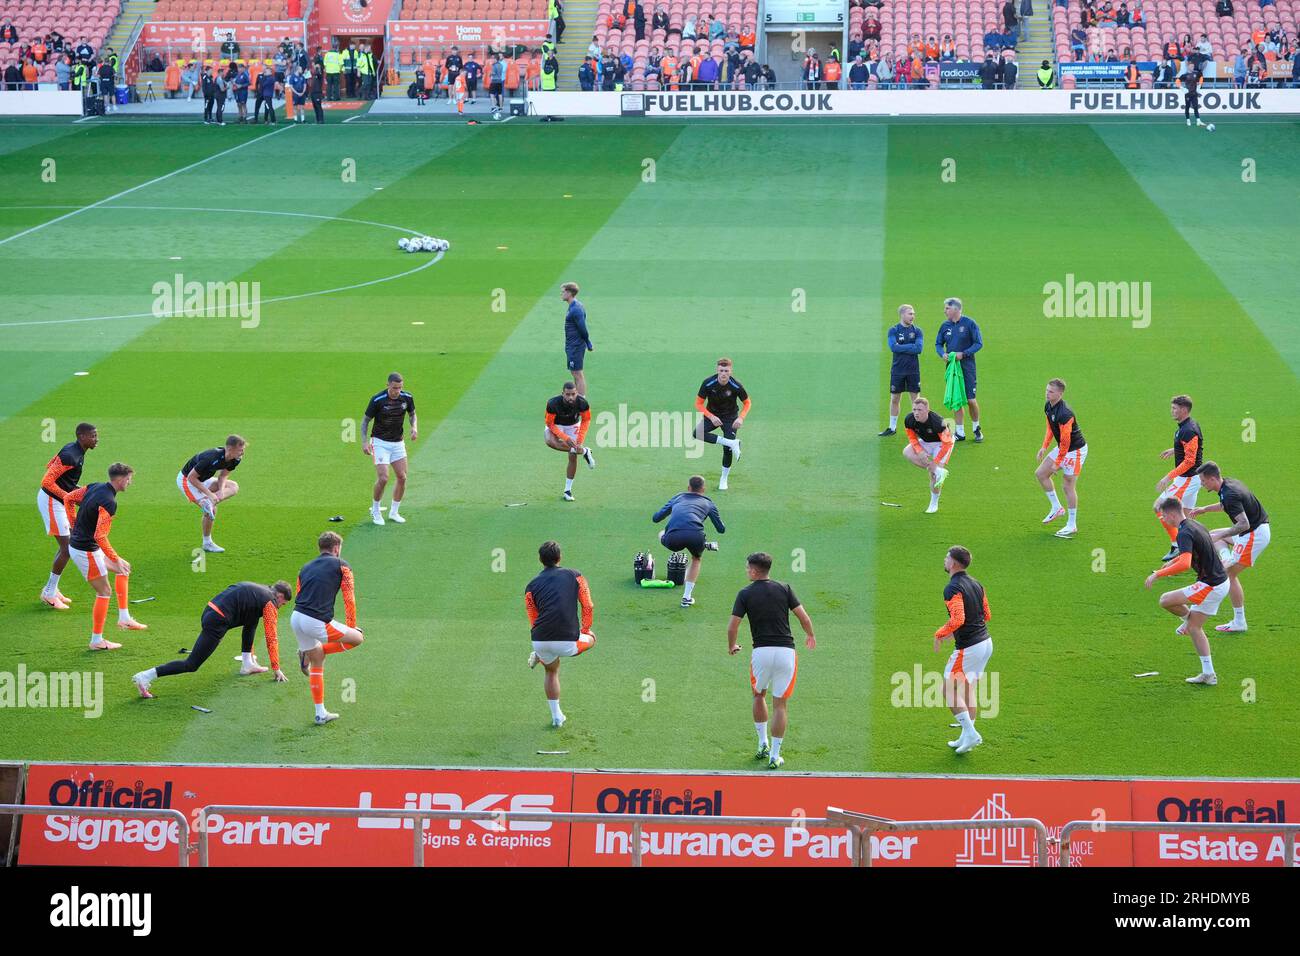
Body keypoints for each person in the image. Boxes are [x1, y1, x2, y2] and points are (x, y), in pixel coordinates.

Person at [727, 551, 816, 770]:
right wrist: (810, 635)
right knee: (780, 706)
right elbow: (803, 617)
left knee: (758, 695)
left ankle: (762, 744)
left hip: (761, 653)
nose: (746, 570)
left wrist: (732, 646)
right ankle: (775, 755)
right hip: (786, 653)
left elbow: (733, 626)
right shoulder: (784, 588)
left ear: (755, 571)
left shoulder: (744, 594)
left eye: (748, 568)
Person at [133, 581, 292, 697]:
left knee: (252, 621)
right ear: (279, 596)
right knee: (191, 664)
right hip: (218, 620)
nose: (280, 607)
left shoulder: (261, 591)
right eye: (282, 604)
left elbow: (247, 616)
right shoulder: (270, 604)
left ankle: (247, 664)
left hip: (211, 610)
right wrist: (276, 667)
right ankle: (145, 676)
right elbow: (272, 637)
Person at [1145, 498, 1227, 686]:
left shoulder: (1183, 533)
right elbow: (1189, 553)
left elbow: (1185, 563)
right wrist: (1171, 562)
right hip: (1221, 582)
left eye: (1164, 516)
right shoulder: (1194, 524)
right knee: (1194, 628)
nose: (1163, 519)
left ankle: (1187, 618)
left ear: (1172, 514)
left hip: (1211, 585)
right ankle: (1209, 674)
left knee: (1165, 600)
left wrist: (1158, 574)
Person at [67, 462, 147, 650]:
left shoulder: (95, 486)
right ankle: (96, 641)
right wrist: (115, 557)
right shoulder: (109, 502)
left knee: (124, 569)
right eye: (129, 479)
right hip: (85, 550)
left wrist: (74, 524)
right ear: (120, 480)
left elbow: (69, 498)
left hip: (84, 546)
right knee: (104, 592)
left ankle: (124, 618)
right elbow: (100, 535)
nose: (130, 483)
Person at [292, 532, 364, 724]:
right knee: (357, 639)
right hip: (315, 620)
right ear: (336, 548)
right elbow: (349, 598)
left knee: (317, 660)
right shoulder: (343, 566)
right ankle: (312, 652)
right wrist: (352, 627)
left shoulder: (305, 567)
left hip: (296, 617)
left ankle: (320, 713)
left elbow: (300, 593)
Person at [1188, 464, 1269, 633]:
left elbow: (1243, 523)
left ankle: (1240, 621)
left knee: (1229, 575)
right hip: (1253, 530)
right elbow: (1225, 505)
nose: (1202, 485)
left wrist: (1221, 534)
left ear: (1212, 478)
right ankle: (1227, 557)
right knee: (1213, 535)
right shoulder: (1228, 484)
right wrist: (1205, 509)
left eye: (1203, 481)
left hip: (1254, 535)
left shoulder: (1230, 494)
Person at [524, 540, 595, 727]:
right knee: (592, 638)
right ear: (559, 557)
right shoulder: (576, 576)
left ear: (540, 560)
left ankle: (557, 717)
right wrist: (586, 630)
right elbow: (587, 605)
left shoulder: (531, 586)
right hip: (568, 642)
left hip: (540, 639)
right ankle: (540, 655)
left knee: (551, 670)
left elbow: (533, 617)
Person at [933, 545, 992, 753]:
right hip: (986, 643)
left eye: (947, 558)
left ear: (954, 563)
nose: (944, 561)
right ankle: (966, 737)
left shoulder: (952, 588)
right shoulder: (976, 584)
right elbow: (986, 614)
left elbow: (958, 618)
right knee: (966, 689)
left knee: (947, 690)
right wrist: (957, 630)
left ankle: (971, 734)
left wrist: (941, 633)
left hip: (970, 647)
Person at [38, 422, 98, 610]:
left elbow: (52, 467)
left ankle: (52, 589)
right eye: (93, 436)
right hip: (51, 501)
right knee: (68, 548)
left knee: (67, 546)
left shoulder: (76, 451)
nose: (97, 439)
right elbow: (47, 481)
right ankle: (48, 593)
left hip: (58, 500)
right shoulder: (71, 454)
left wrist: (78, 493)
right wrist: (69, 496)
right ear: (82, 436)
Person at [652, 475, 725, 607]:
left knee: (661, 533)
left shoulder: (677, 497)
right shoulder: (709, 503)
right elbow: (721, 529)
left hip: (673, 539)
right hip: (696, 537)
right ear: (704, 489)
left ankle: (703, 544)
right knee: (696, 559)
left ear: (688, 488)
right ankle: (686, 598)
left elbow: (656, 518)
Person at [362, 373, 418, 526]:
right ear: (388, 385)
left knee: (402, 477)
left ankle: (394, 512)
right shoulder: (377, 400)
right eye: (394, 388)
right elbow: (365, 421)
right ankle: (375, 509)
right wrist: (365, 442)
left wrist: (414, 427)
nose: (397, 391)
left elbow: (412, 414)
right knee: (384, 478)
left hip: (398, 443)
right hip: (380, 442)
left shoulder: (407, 397)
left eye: (400, 388)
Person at [1155, 394, 1204, 561]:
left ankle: (1176, 545)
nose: (1172, 411)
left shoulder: (1188, 430)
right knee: (1187, 518)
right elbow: (1190, 450)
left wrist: (1167, 477)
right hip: (1190, 478)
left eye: (1174, 408)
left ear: (1184, 410)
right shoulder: (1186, 426)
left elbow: (1190, 461)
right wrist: (1175, 449)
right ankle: (1198, 552)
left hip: (1188, 478)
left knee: (1159, 506)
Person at [1036, 378, 1088, 537]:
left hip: (1075, 451)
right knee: (1041, 474)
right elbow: (1050, 428)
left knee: (1067, 486)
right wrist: (1044, 447)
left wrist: (1058, 462)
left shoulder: (1065, 414)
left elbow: (1066, 441)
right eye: (1046, 390)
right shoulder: (1048, 406)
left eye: (1051, 391)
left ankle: (1072, 524)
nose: (1047, 393)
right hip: (1063, 448)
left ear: (1060, 393)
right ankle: (1056, 508)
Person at [178, 436, 245, 553]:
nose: (242, 452)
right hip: (187, 481)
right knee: (211, 510)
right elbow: (191, 477)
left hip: (203, 479)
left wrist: (220, 490)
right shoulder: (211, 457)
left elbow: (223, 476)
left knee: (233, 486)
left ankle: (208, 503)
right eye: (240, 449)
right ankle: (207, 543)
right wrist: (209, 494)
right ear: (229, 448)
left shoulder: (236, 459)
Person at [694, 358, 750, 491]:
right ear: (717, 370)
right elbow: (698, 403)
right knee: (697, 433)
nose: (723, 373)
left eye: (726, 371)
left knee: (727, 450)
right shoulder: (708, 383)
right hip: (712, 415)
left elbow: (747, 403)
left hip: (730, 418)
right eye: (721, 370)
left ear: (731, 371)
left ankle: (724, 478)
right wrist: (711, 416)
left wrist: (740, 418)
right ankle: (732, 442)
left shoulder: (736, 385)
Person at [935, 296, 983, 441]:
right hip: (951, 368)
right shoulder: (944, 326)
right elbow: (938, 344)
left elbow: (978, 343)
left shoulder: (969, 324)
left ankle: (976, 428)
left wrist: (964, 354)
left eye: (947, 308)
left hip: (967, 367)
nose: (945, 311)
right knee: (956, 398)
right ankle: (960, 432)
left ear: (956, 309)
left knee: (970, 399)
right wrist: (942, 354)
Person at [545, 382, 595, 501]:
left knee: (572, 456)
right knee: (550, 442)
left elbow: (586, 420)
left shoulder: (582, 403)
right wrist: (566, 438)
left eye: (573, 394)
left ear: (577, 393)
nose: (571, 397)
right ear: (563, 394)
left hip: (573, 425)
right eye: (568, 394)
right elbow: (549, 423)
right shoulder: (552, 403)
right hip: (556, 425)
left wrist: (579, 440)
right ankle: (584, 451)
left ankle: (567, 490)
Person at [903, 397, 953, 513]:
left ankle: (934, 503)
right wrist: (919, 450)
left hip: (942, 443)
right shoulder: (909, 419)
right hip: (926, 441)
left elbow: (947, 444)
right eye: (914, 409)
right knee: (907, 452)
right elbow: (911, 437)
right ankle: (938, 471)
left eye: (919, 410)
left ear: (927, 410)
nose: (916, 413)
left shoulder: (938, 423)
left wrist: (935, 462)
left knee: (933, 476)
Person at [881, 305, 924, 436]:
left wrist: (902, 347)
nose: (913, 316)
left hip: (913, 371)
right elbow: (893, 347)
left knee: (916, 400)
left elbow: (919, 349)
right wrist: (911, 346)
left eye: (913, 314)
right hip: (898, 370)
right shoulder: (893, 330)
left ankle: (919, 428)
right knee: (895, 398)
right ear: (902, 315)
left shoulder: (918, 331)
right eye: (910, 314)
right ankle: (892, 427)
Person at [559, 281, 592, 396]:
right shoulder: (572, 306)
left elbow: (582, 328)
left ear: (569, 293)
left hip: (576, 346)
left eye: (563, 292)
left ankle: (582, 402)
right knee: (574, 373)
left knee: (578, 374)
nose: (561, 294)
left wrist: (588, 342)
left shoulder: (576, 308)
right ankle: (576, 398)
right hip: (571, 345)